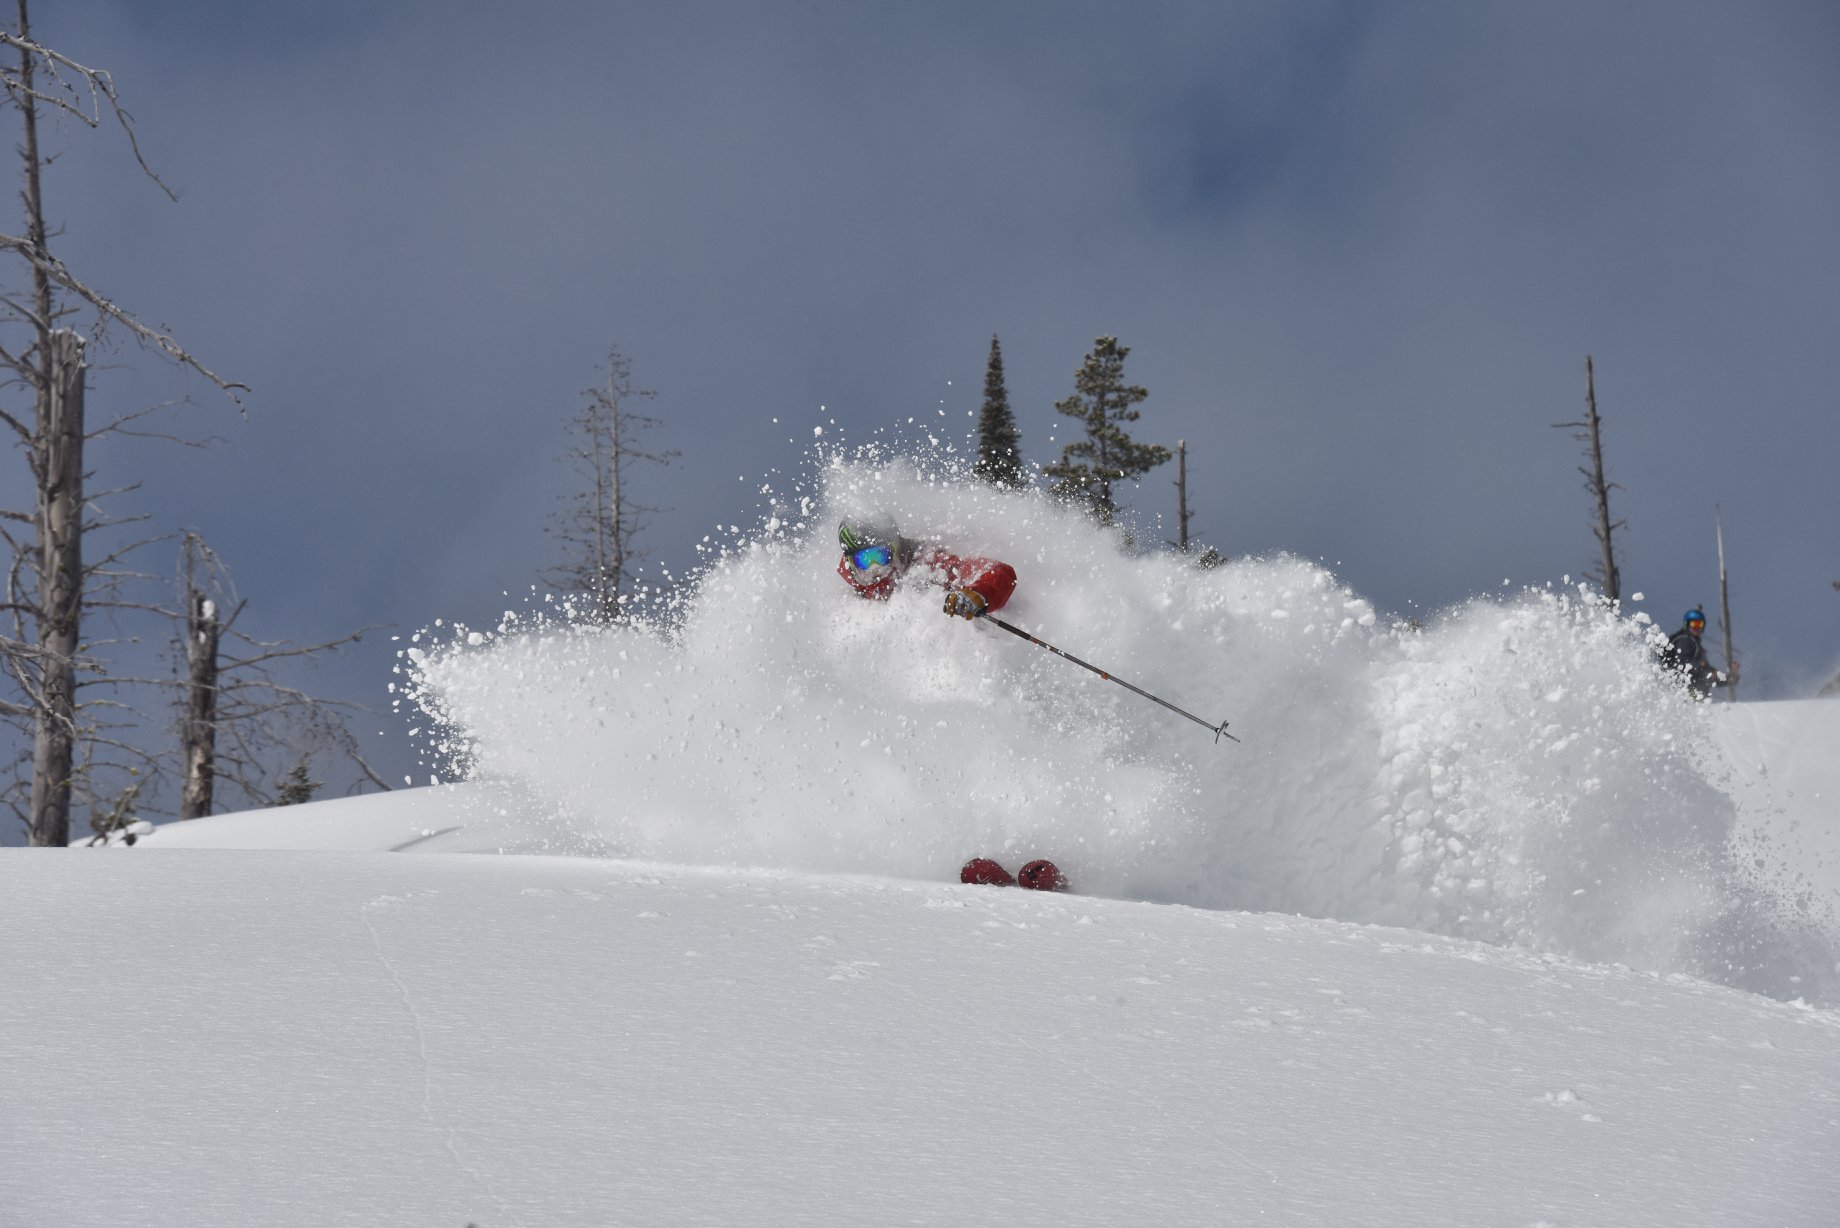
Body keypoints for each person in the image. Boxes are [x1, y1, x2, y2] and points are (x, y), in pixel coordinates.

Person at [837, 518, 1016, 619]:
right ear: (850, 562)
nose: (874, 567)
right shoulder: (854, 589)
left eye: (880, 555)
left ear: (894, 548)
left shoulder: (926, 561)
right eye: (864, 560)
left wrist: (980, 592)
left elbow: (1000, 572)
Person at [1658, 608, 1728, 699]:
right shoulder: (1685, 641)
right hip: (1683, 690)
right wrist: (1700, 665)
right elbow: (1681, 662)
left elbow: (1706, 674)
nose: (1697, 628)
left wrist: (1727, 679)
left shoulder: (1693, 642)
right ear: (1687, 624)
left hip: (1690, 690)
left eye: (1700, 624)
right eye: (1694, 624)